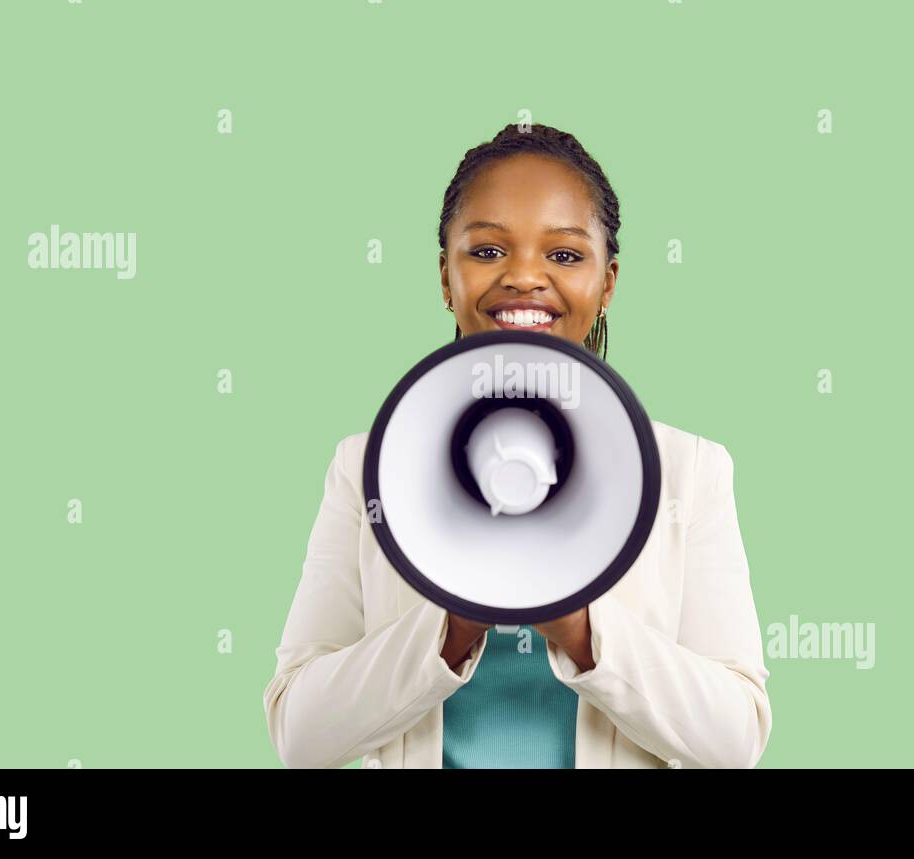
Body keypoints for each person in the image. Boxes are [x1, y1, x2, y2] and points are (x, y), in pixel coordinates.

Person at [263, 123, 772, 769]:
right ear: (445, 278)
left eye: (563, 255)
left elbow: (735, 742)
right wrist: (453, 625)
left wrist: (583, 632)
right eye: (486, 252)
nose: (525, 277)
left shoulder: (689, 471)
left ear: (607, 283)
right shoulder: (366, 467)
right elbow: (300, 737)